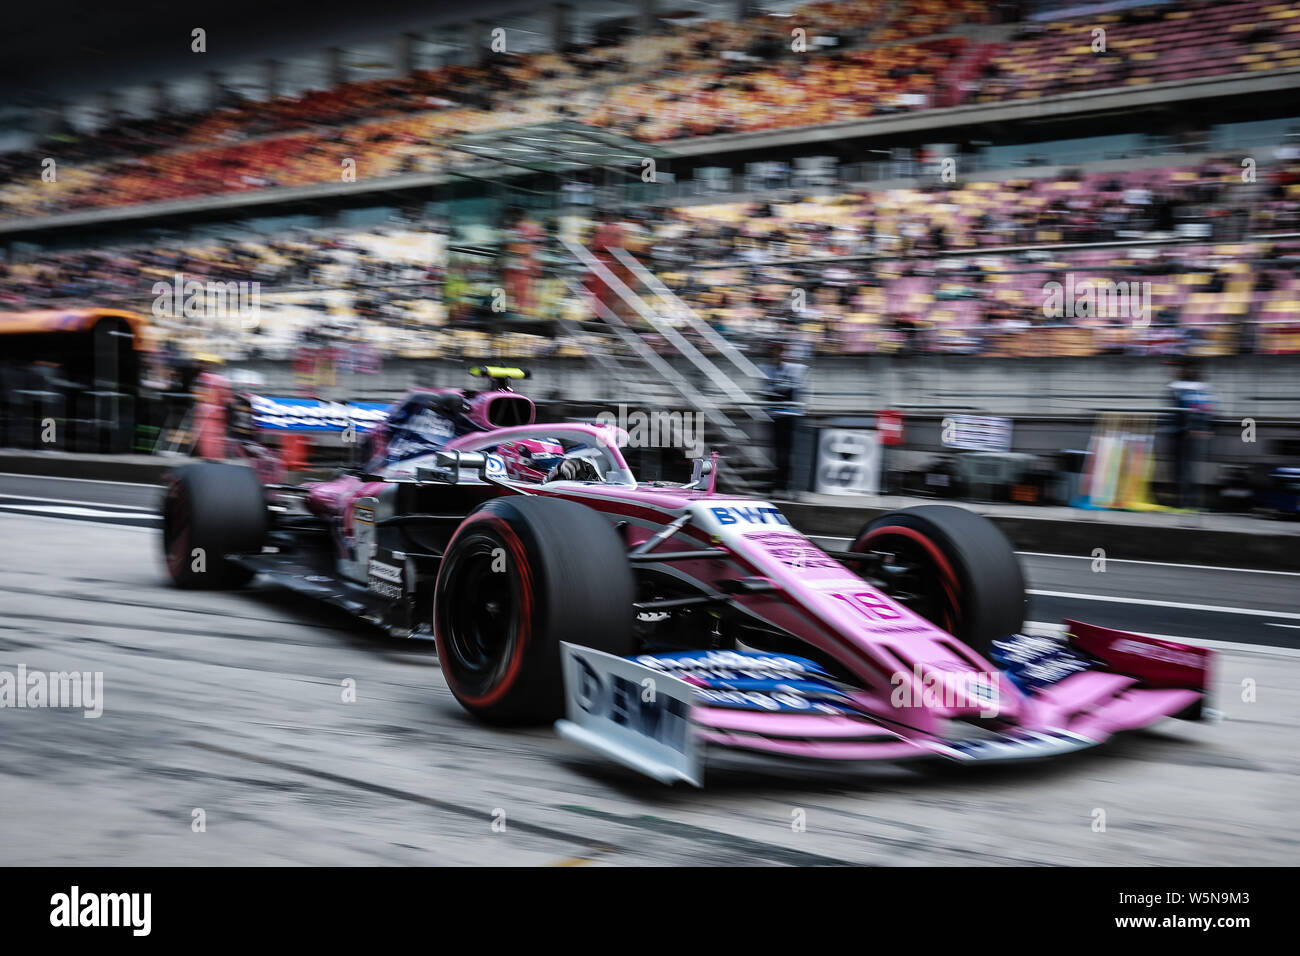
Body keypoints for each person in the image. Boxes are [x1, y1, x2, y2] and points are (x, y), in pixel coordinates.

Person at [1163, 358, 1216, 510]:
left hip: (1184, 434)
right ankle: (1185, 500)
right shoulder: (1201, 388)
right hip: (1186, 433)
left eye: (1179, 368)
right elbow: (1207, 410)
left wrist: (1193, 428)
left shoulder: (1184, 388)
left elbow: (1193, 410)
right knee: (1184, 469)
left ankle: (1185, 501)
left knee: (1182, 469)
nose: (1175, 371)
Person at [757, 340, 807, 497]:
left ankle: (786, 485)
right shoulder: (767, 370)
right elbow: (768, 393)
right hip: (776, 416)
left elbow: (790, 391)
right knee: (777, 452)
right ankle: (778, 484)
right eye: (774, 352)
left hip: (789, 417)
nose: (776, 355)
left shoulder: (793, 370)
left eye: (779, 352)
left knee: (788, 452)